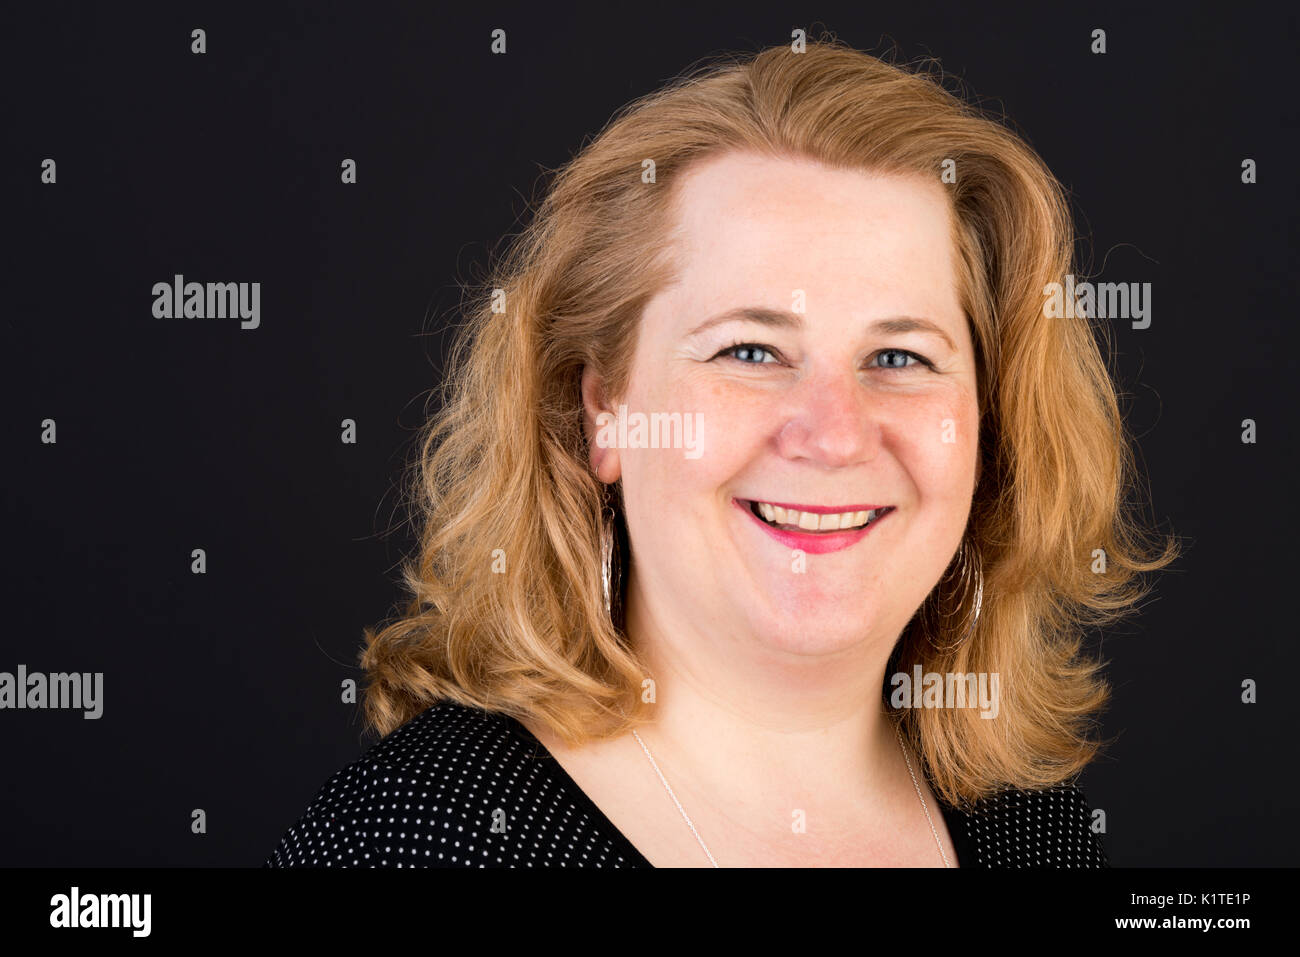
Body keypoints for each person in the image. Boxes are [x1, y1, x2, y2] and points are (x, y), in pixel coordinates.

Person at [265, 37, 1178, 868]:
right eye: (750, 350)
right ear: (603, 411)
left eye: (899, 356)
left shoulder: (1032, 829)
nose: (832, 432)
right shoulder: (412, 842)